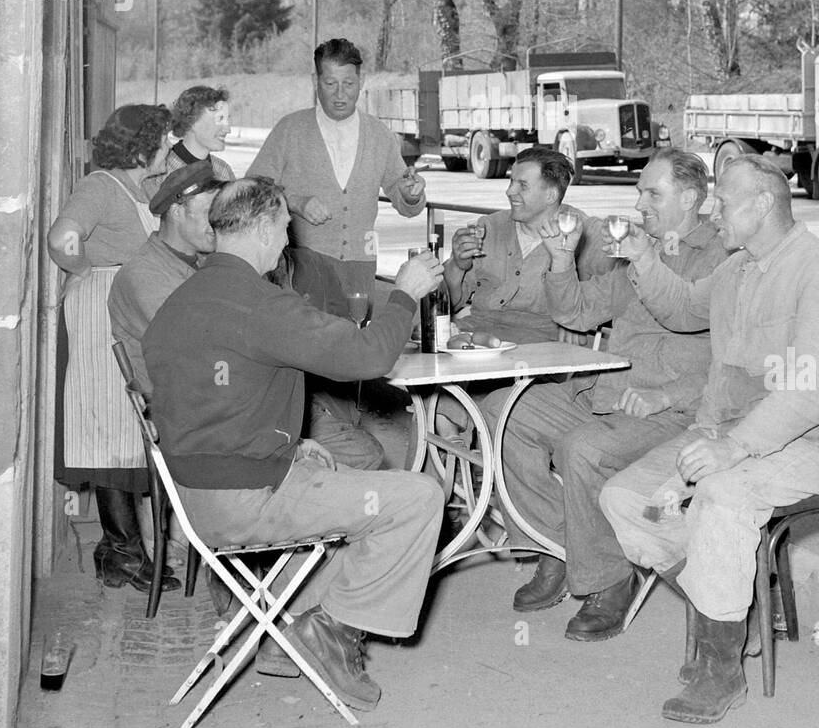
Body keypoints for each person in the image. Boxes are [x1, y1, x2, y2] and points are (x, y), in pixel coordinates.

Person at [142, 176, 445, 710]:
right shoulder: (261, 304)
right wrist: (404, 293)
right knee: (418, 498)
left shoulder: (182, 300)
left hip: (199, 492)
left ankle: (289, 639)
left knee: (363, 480)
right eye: (285, 227)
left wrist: (284, 443)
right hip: (244, 499)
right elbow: (368, 357)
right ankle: (329, 630)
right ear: (261, 228)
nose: (288, 241)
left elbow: (207, 401)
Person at [599, 153, 819, 724]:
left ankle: (719, 669)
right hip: (721, 436)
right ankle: (732, 607)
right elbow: (683, 308)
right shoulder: (737, 268)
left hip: (802, 447)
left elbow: (814, 392)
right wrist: (645, 257)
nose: (714, 210)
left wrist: (735, 447)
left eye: (724, 200)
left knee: (721, 499)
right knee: (624, 499)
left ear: (763, 204)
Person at [484, 150, 727, 641]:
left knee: (582, 449)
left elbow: (738, 363)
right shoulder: (649, 248)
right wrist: (559, 261)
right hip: (611, 395)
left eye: (650, 193)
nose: (639, 205)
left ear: (690, 198)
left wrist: (666, 397)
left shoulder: (722, 258)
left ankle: (609, 580)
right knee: (502, 414)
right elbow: (578, 313)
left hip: (675, 411)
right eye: (639, 192)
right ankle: (560, 546)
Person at [247, 39, 425, 459]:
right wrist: (297, 202)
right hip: (305, 265)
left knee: (352, 361)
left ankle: (342, 452)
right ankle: (305, 443)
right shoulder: (290, 129)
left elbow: (405, 200)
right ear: (316, 82)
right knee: (308, 357)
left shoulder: (380, 135)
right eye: (331, 83)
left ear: (361, 81)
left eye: (349, 83)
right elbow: (254, 188)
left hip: (358, 267)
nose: (340, 93)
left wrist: (413, 192)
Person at [46, 102, 179, 594]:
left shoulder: (138, 188)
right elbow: (62, 237)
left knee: (127, 431)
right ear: (141, 143)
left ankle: (115, 552)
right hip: (100, 315)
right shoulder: (101, 185)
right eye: (163, 138)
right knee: (109, 433)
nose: (169, 146)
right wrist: (88, 275)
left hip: (126, 316)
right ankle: (122, 551)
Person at [444, 146, 610, 345]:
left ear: (551, 195)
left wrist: (580, 322)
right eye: (511, 181)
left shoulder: (586, 233)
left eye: (522, 185)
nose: (509, 191)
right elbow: (448, 305)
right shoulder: (489, 227)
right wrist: (457, 265)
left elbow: (626, 281)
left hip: (539, 349)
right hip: (474, 337)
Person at [107, 161, 222, 400]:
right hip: (181, 410)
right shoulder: (143, 275)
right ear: (176, 212)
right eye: (208, 214)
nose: (217, 224)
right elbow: (199, 344)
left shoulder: (202, 263)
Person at [164, 85, 236, 181]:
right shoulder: (161, 172)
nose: (228, 129)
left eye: (227, 119)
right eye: (220, 118)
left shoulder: (224, 172)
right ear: (192, 121)